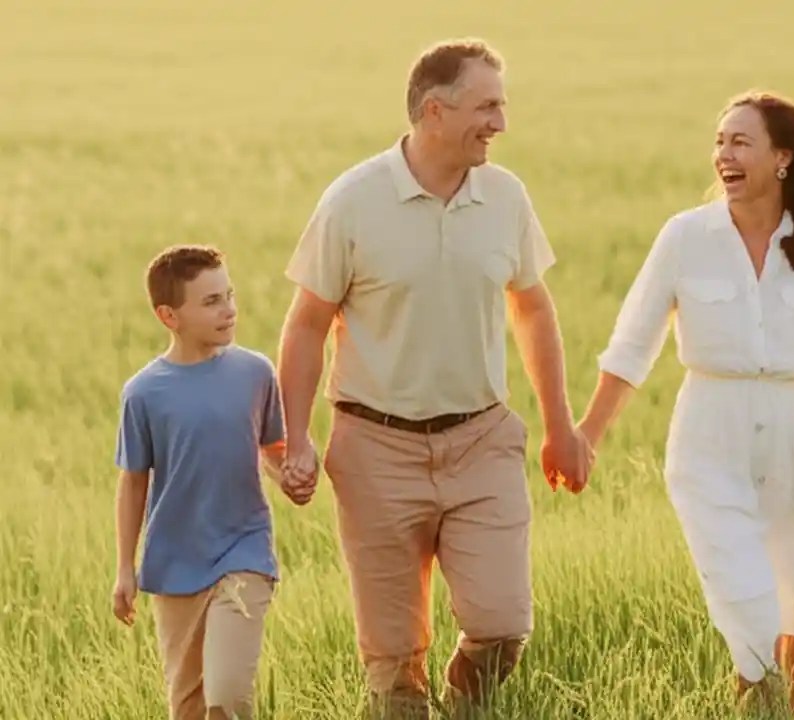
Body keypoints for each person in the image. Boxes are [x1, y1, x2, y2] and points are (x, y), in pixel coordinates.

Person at [576, 91, 794, 713]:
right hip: (712, 437)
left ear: (783, 158)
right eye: (719, 142)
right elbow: (632, 346)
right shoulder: (686, 236)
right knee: (753, 621)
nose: (723, 155)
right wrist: (586, 436)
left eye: (740, 142)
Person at [276, 38, 591, 717]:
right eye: (487, 107)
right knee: (392, 668)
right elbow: (306, 324)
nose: (500, 124)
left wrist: (561, 427)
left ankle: (462, 706)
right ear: (434, 111)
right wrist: (294, 437)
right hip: (375, 451)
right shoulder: (353, 201)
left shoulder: (506, 197)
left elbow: (533, 310)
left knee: (503, 627)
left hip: (481, 442)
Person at [111, 245, 310, 720]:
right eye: (211, 302)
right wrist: (124, 566)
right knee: (190, 707)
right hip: (174, 562)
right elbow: (133, 482)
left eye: (229, 295)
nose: (229, 310)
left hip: (243, 551)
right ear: (169, 316)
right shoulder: (144, 394)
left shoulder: (255, 373)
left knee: (228, 697)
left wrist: (290, 477)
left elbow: (270, 449)